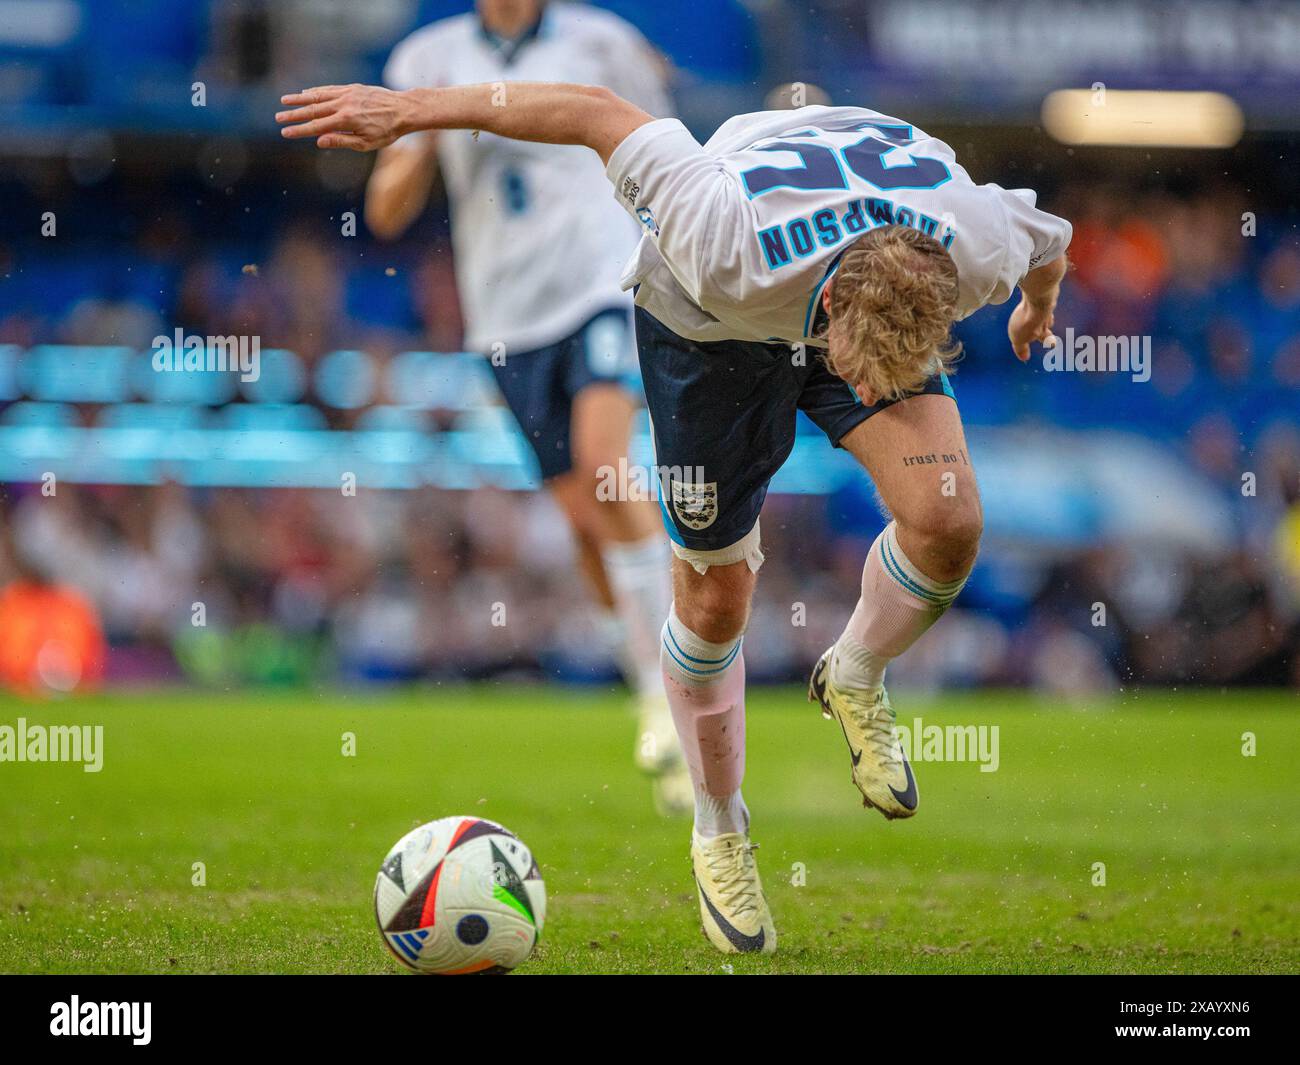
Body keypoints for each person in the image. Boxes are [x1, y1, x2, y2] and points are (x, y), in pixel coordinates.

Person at [278, 78, 1071, 954]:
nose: (872, 388)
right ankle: (719, 828)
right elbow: (596, 112)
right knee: (713, 597)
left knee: (949, 518)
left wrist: (1035, 307)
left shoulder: (974, 241)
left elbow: (1048, 243)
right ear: (835, 310)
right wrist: (412, 112)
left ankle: (853, 672)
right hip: (709, 324)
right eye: (864, 367)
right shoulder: (717, 231)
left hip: (867, 261)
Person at [363, 2, 688, 812]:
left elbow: (668, 160)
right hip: (507, 318)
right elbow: (385, 211)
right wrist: (431, 124)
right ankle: (645, 672)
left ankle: (673, 691)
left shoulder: (604, 40)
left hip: (606, 284)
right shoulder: (425, 56)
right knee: (581, 513)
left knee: (607, 468)